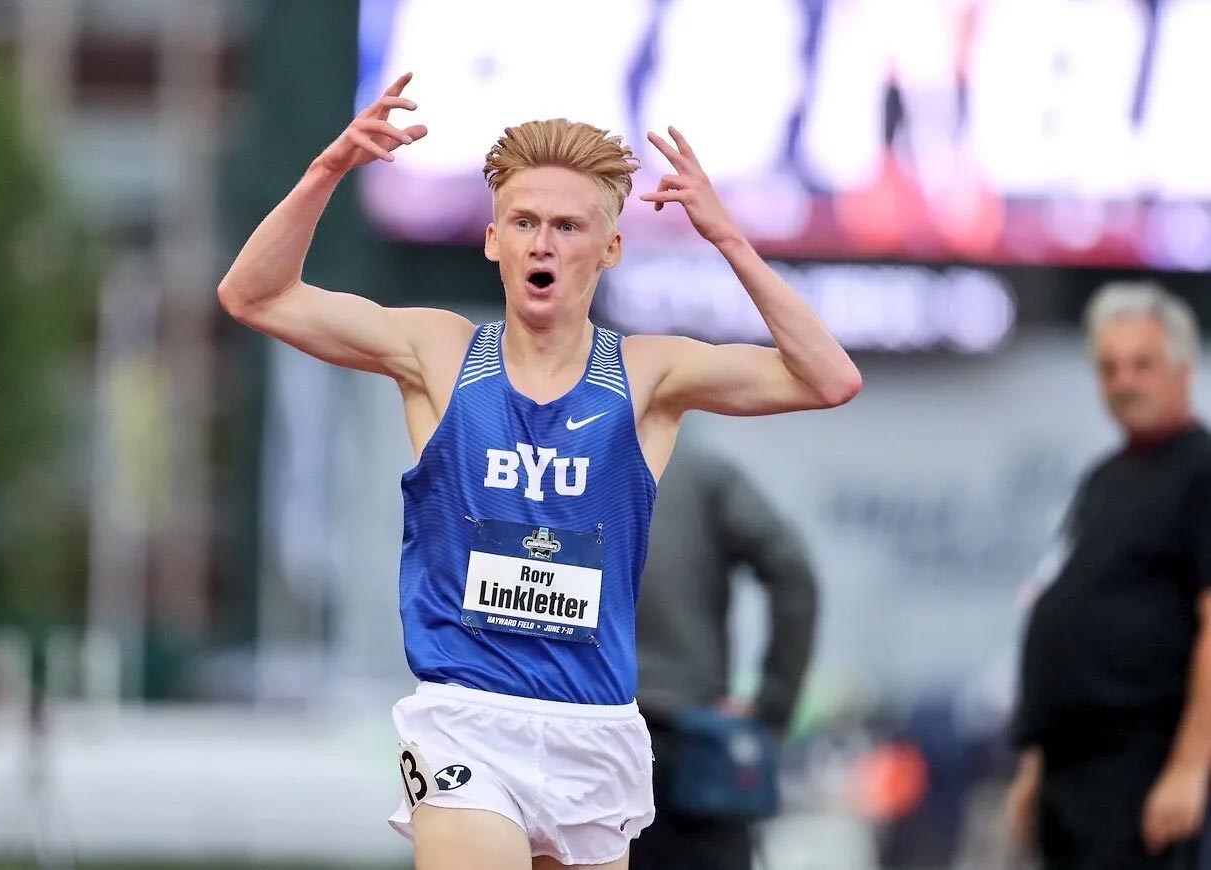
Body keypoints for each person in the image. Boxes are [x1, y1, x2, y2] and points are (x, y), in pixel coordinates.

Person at [218, 73, 860, 870]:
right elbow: (253, 295)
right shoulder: (440, 352)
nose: (542, 243)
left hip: (593, 725)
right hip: (468, 720)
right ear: (493, 239)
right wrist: (327, 171)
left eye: (566, 225)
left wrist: (728, 239)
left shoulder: (649, 376)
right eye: (522, 222)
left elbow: (827, 378)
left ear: (610, 247)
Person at [1006, 283, 1211, 870]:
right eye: (1109, 368)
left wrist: (1191, 767)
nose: (1124, 382)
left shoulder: (1200, 470)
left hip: (1146, 766)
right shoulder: (1103, 479)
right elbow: (1064, 610)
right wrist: (1035, 766)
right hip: (1072, 773)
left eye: (1142, 365)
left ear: (1181, 369)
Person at [629, 440, 819, 870]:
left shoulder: (544, 470)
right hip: (691, 747)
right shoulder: (700, 473)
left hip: (577, 741)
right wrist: (773, 705)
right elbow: (792, 568)